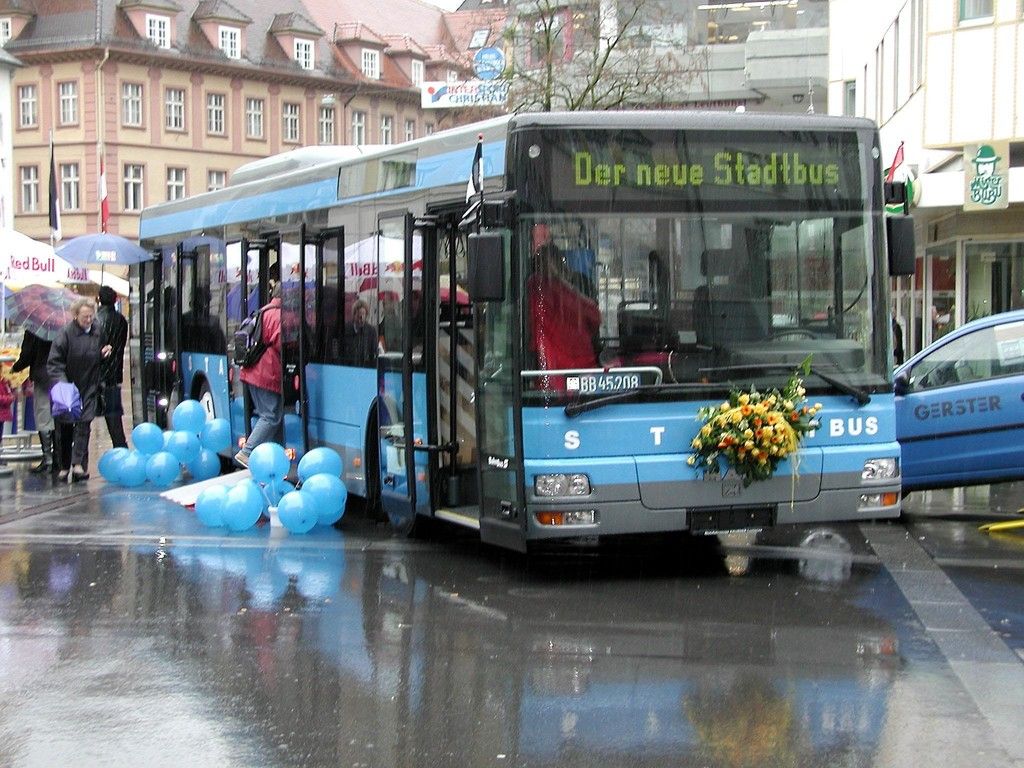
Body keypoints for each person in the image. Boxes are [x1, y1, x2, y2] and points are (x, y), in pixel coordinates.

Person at [527, 223, 601, 389]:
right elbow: (595, 318)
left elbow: (594, 317)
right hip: (572, 368)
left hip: (557, 370)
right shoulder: (541, 287)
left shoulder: (535, 288)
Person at [47, 297, 113, 482]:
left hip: (89, 385)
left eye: (91, 316)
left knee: (84, 424)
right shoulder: (65, 334)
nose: (89, 320)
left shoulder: (98, 331)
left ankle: (77, 465)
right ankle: (64, 465)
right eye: (85, 316)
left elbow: (101, 354)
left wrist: (104, 354)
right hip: (67, 386)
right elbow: (54, 363)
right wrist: (63, 383)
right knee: (65, 426)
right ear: (75, 316)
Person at [234, 283, 282, 468]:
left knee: (270, 415)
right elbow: (281, 343)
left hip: (253, 372)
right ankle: (247, 452)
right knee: (270, 416)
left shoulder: (263, 311)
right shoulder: (277, 315)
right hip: (265, 373)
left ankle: (272, 458)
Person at [11, 329, 57, 474]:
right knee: (61, 417)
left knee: (43, 416)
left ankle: (48, 459)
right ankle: (60, 459)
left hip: (43, 377)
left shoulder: (35, 330)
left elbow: (27, 354)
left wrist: (15, 368)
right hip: (63, 376)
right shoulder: (67, 328)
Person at [95, 286, 129, 449]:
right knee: (114, 418)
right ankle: (121, 450)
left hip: (95, 375)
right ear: (115, 300)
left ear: (99, 299)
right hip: (114, 375)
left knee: (84, 420)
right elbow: (120, 345)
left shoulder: (95, 320)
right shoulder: (121, 320)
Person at [344, 299, 377, 367]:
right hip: (349, 368)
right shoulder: (346, 329)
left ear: (366, 315)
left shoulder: (371, 331)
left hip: (365, 369)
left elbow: (374, 353)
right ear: (354, 315)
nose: (361, 319)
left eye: (363, 315)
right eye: (359, 316)